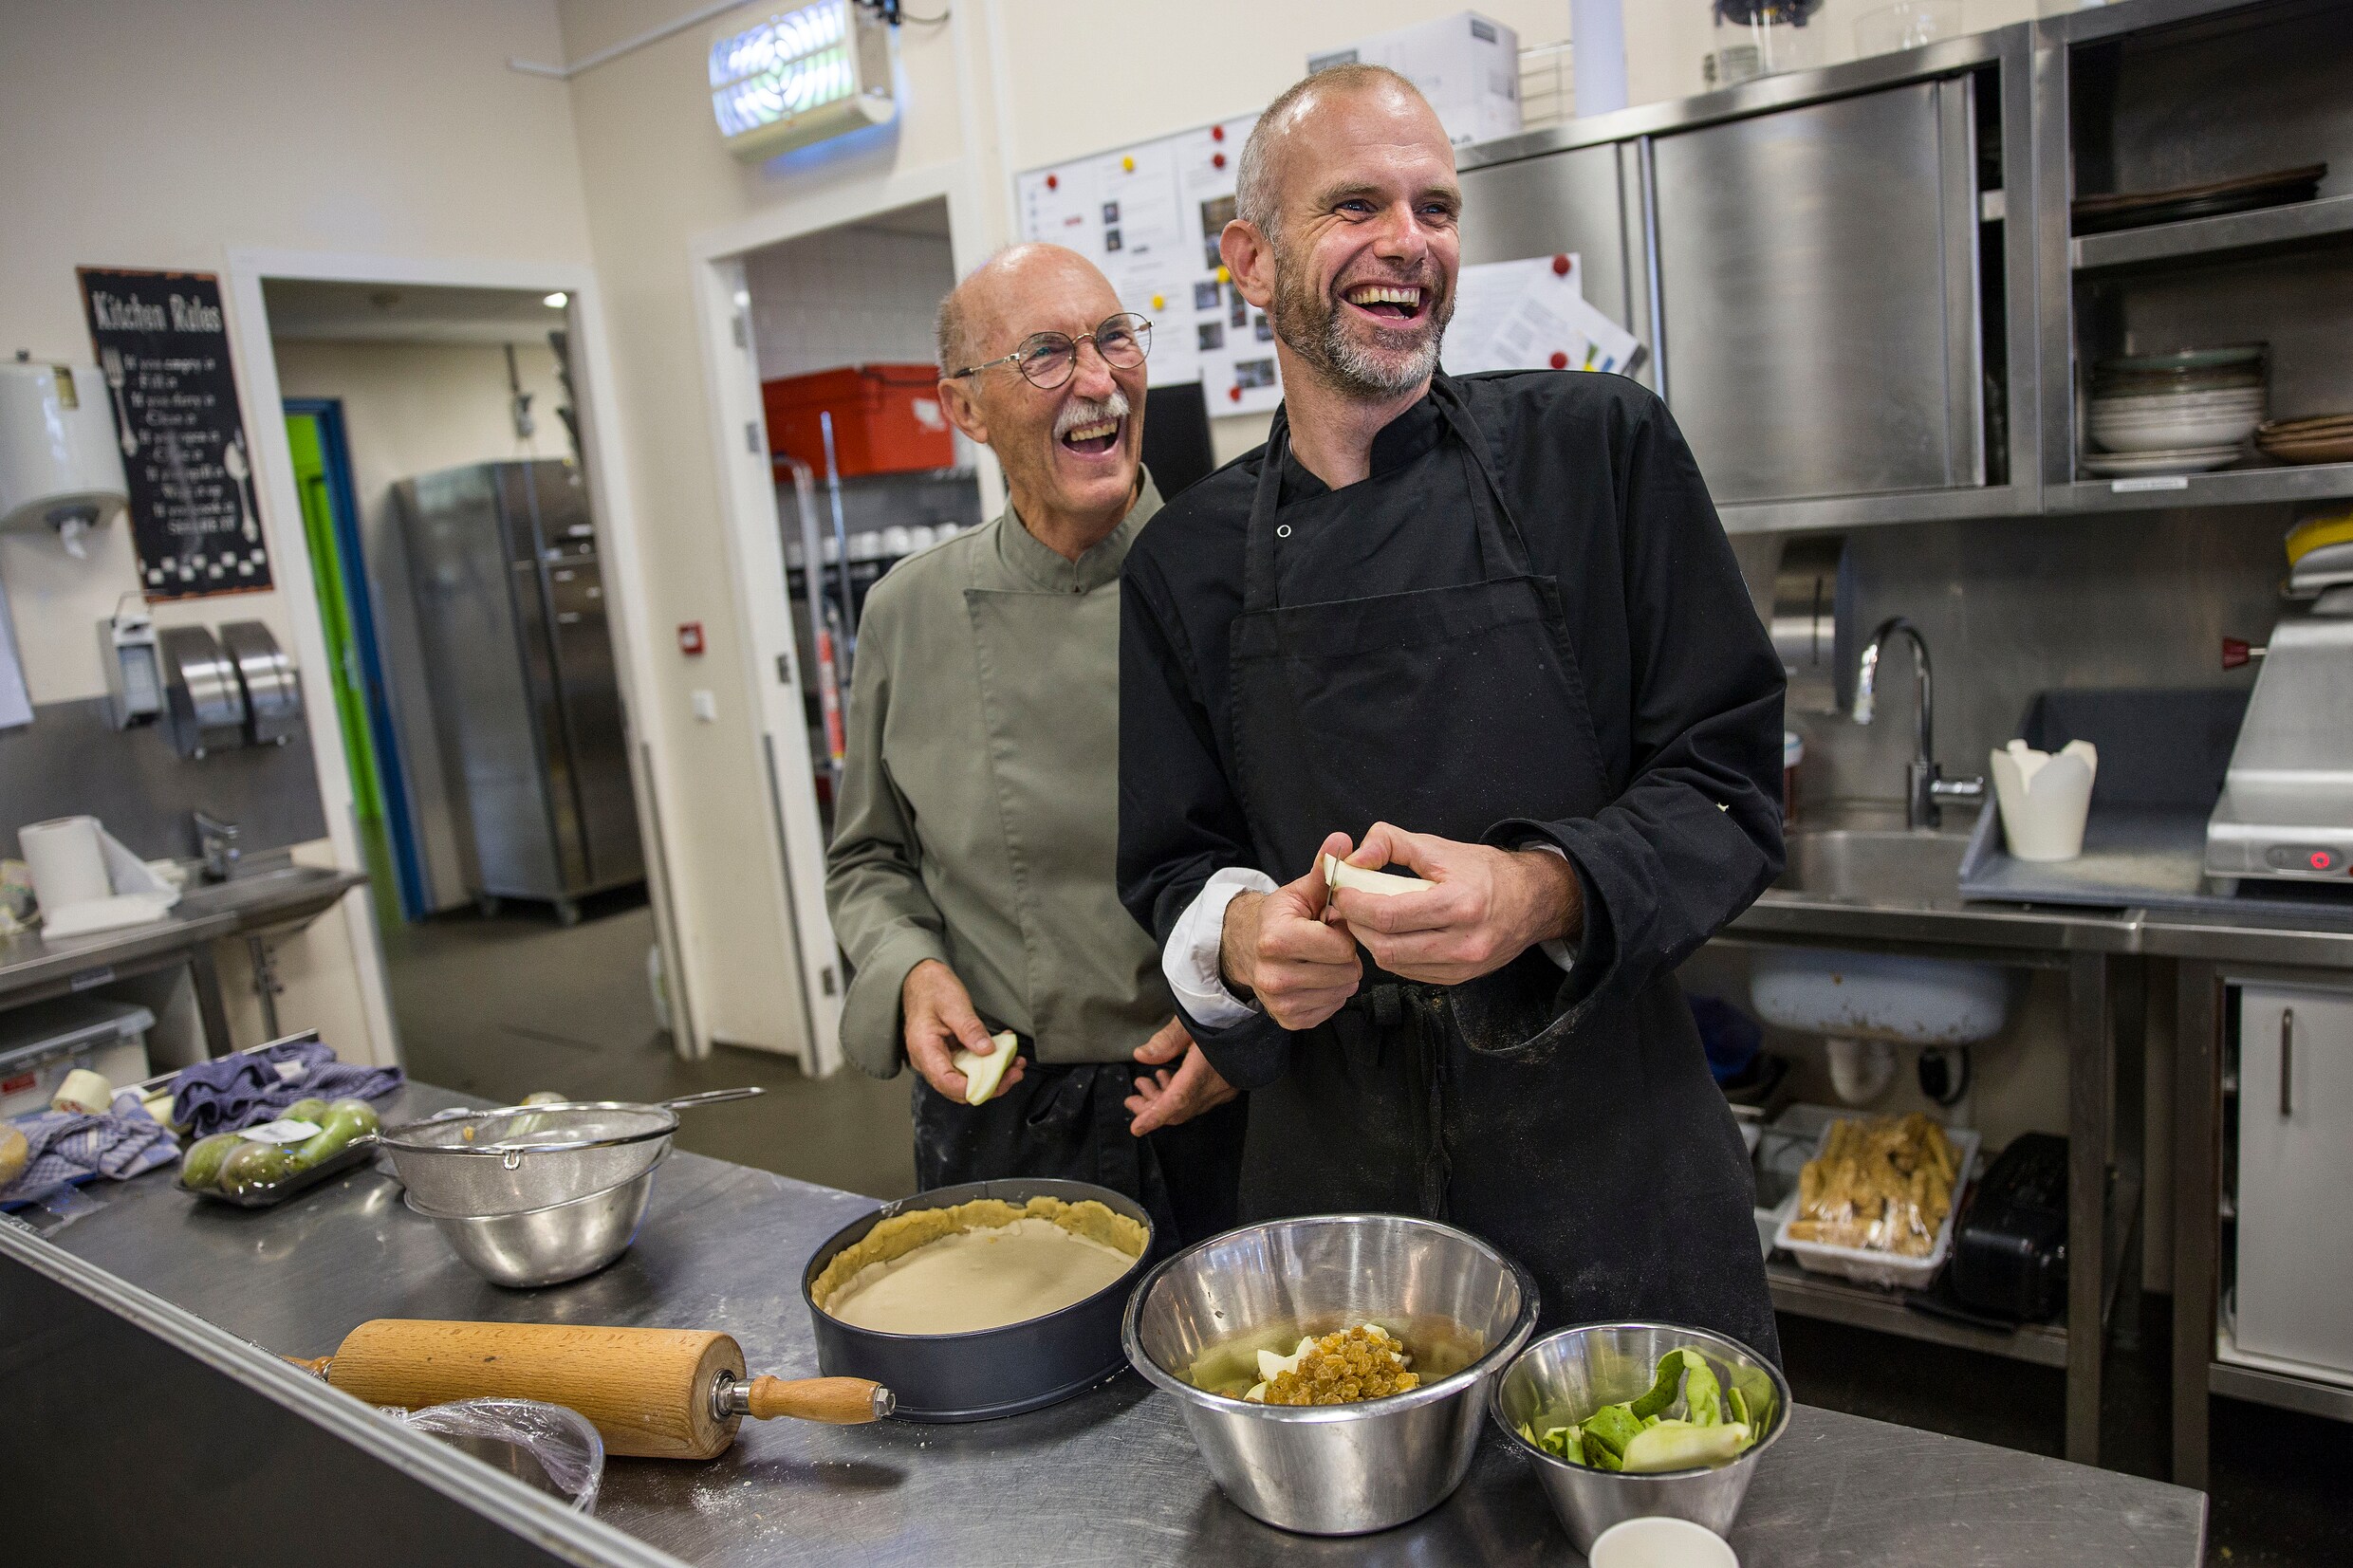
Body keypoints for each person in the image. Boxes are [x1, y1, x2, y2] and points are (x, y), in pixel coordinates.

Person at [1117, 66, 1784, 1352]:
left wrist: (1536, 892)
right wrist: (1246, 936)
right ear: (1250, 261)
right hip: (1334, 1187)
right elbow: (1175, 864)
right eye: (1355, 204)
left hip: (1609, 1159)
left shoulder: (1602, 451)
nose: (1408, 243)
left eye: (1437, 207)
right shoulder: (1183, 565)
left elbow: (1730, 787)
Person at [826, 243, 1245, 1248]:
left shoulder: (1240, 580)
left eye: (1112, 339)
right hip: (998, 1117)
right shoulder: (908, 612)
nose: (1097, 380)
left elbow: (1323, 848)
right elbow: (868, 862)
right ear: (963, 409)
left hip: (1222, 1100)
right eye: (1047, 354)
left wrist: (1255, 1024)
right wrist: (910, 972)